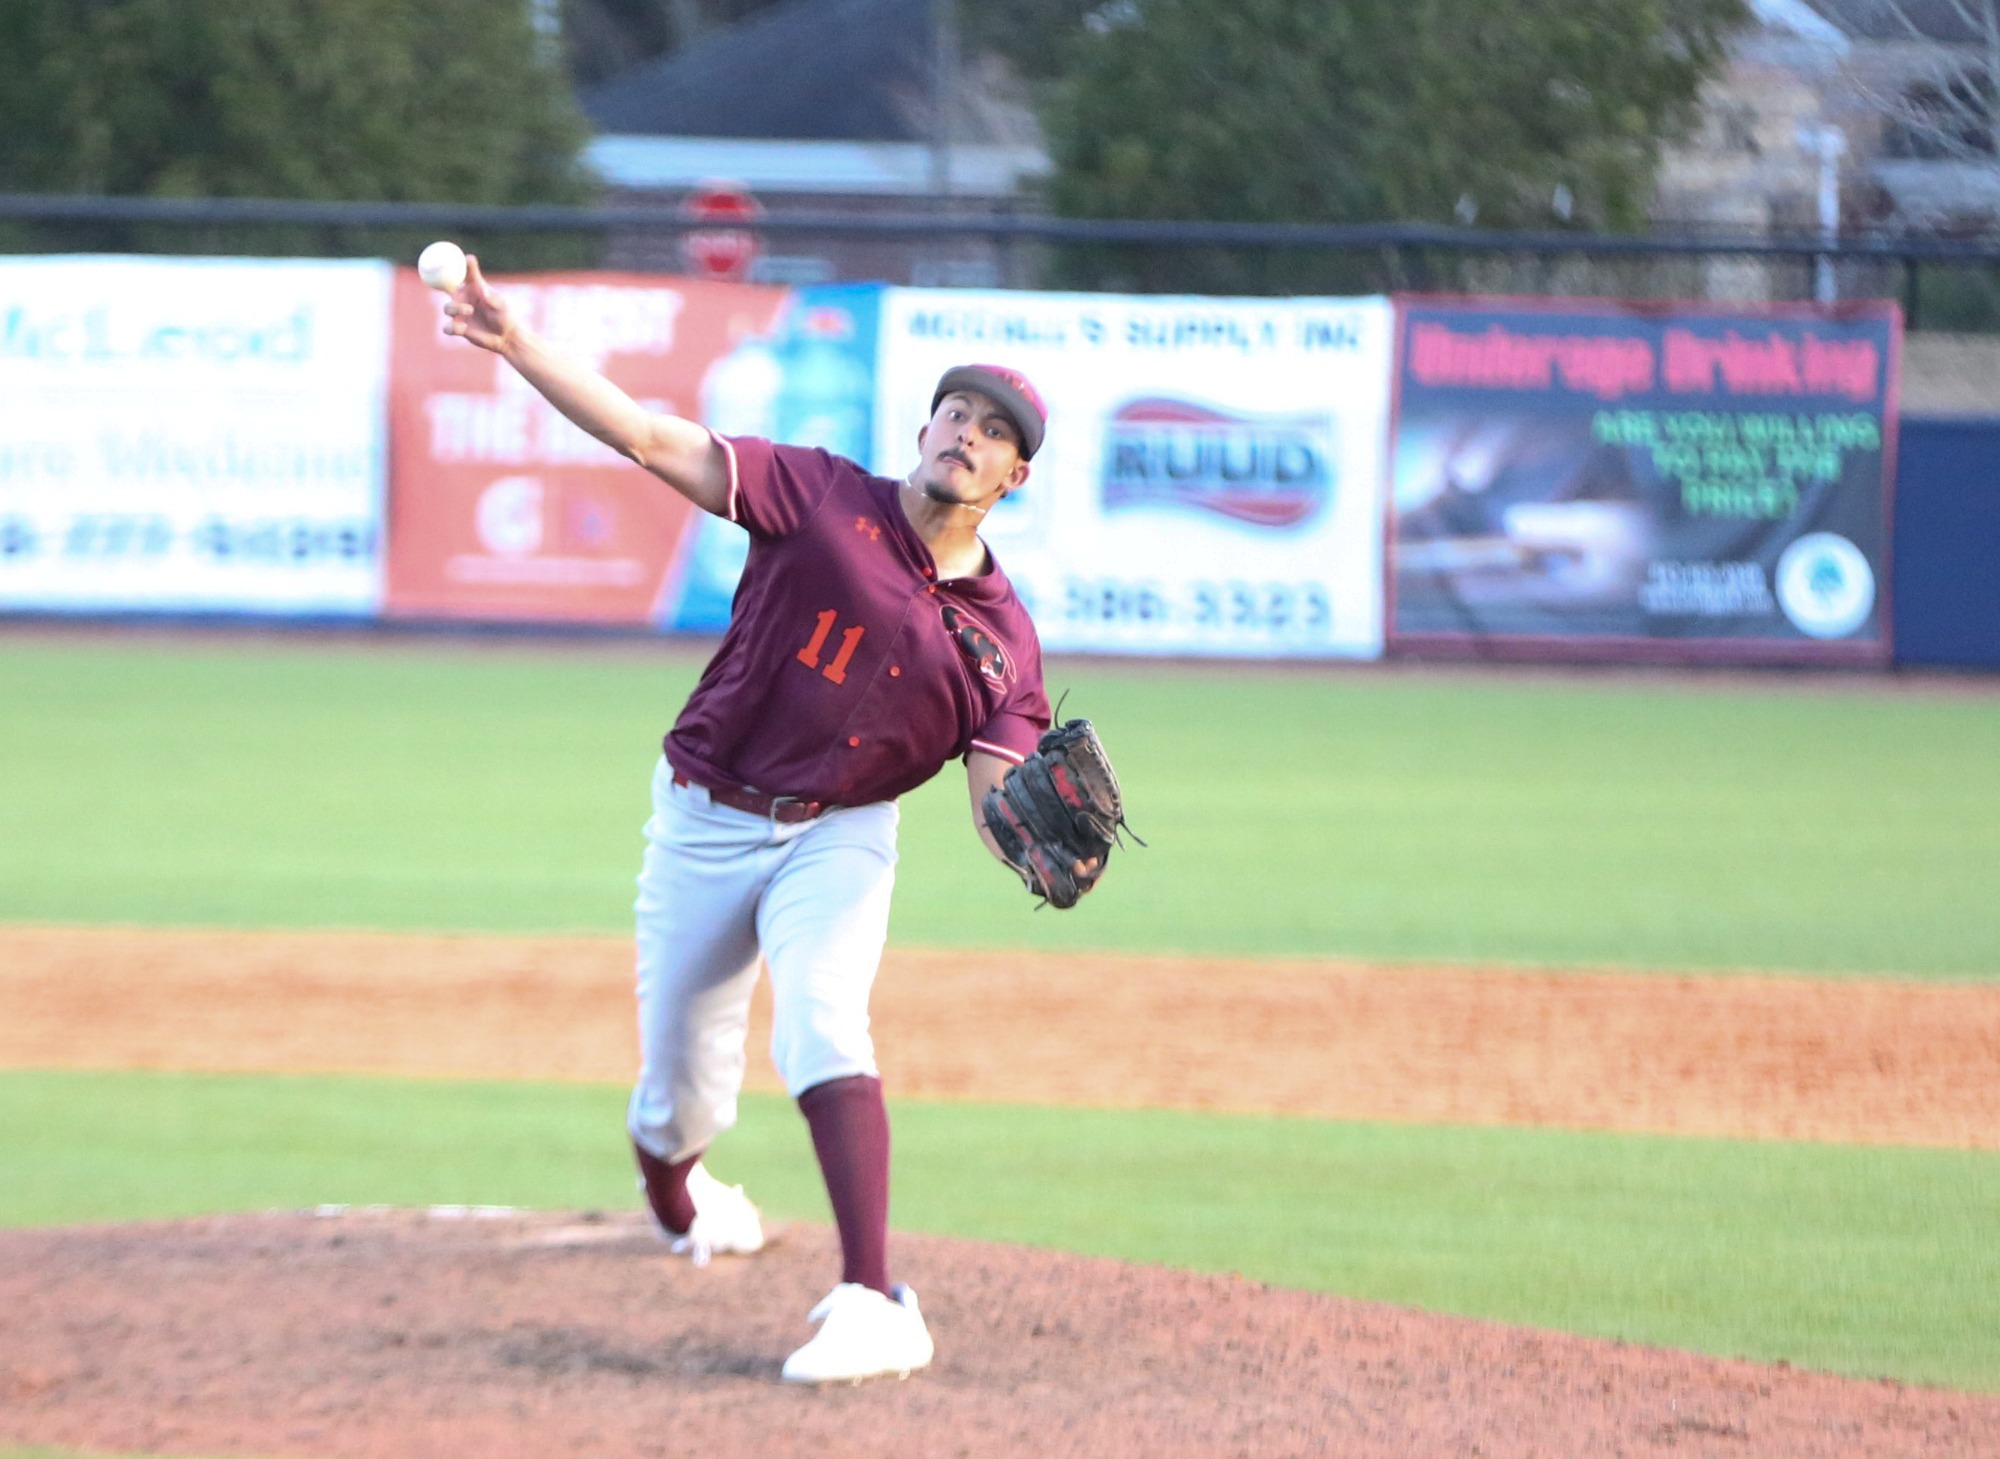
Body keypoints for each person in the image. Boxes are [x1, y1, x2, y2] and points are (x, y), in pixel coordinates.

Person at [441, 257, 1088, 1385]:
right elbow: (650, 438)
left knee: (824, 1025)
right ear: (925, 423)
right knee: (677, 1095)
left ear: (1014, 475)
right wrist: (515, 343)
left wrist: (1023, 835)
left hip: (841, 834)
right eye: (956, 412)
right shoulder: (819, 495)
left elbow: (997, 792)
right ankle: (685, 1198)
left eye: (993, 431)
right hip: (702, 816)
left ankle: (873, 1295)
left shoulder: (1004, 642)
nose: (966, 434)